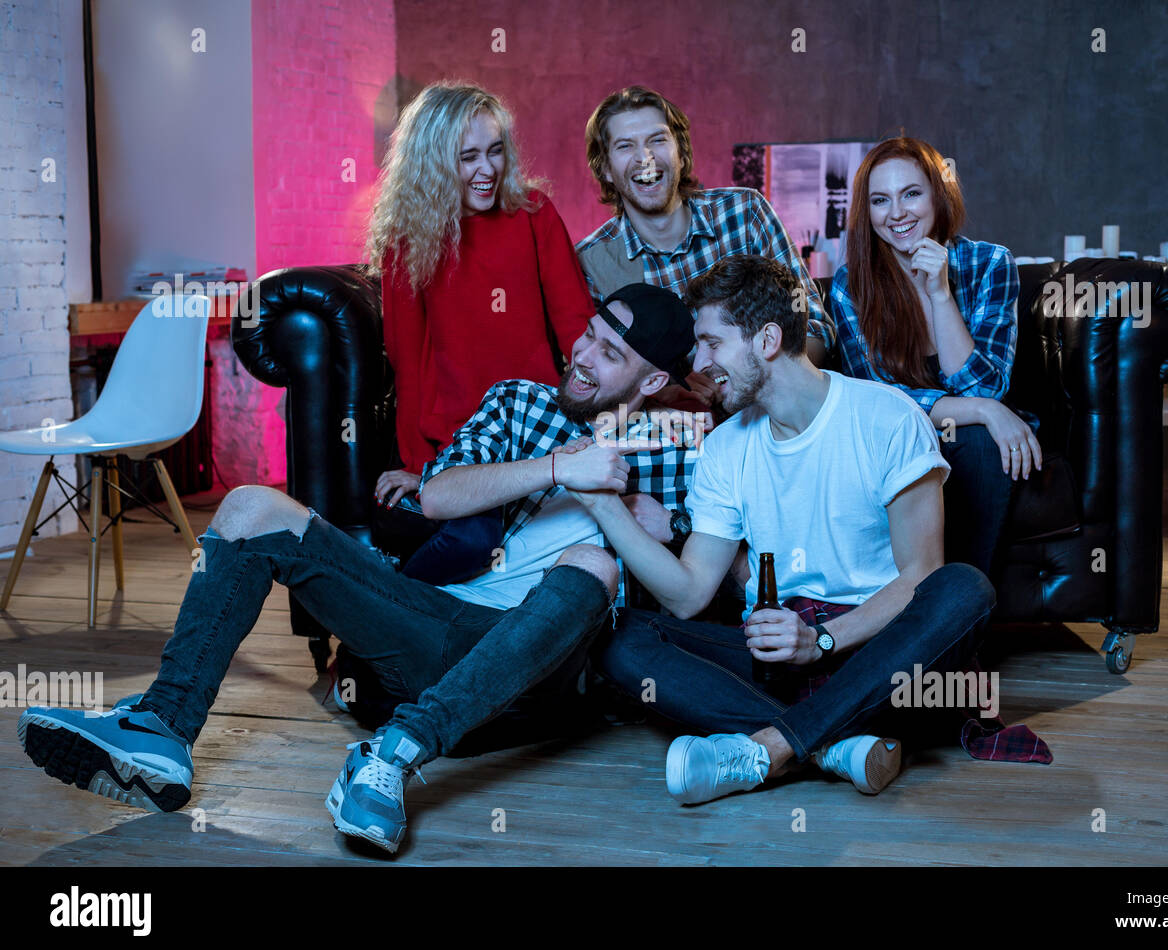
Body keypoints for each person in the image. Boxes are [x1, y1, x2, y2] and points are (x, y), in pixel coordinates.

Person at [18, 284, 700, 854]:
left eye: (610, 355)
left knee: (592, 563)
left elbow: (701, 585)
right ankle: (163, 727)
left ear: (653, 381)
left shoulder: (684, 454)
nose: (581, 357)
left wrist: (660, 521)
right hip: (439, 625)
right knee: (252, 506)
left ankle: (391, 758)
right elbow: (438, 494)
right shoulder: (524, 403)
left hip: (544, 670)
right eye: (587, 336)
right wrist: (559, 468)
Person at [571, 254, 997, 805]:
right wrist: (604, 506)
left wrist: (820, 641)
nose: (698, 364)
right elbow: (688, 594)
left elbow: (921, 577)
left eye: (712, 343)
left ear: (767, 339)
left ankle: (770, 747)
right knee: (618, 634)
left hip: (880, 655)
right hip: (775, 658)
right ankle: (833, 746)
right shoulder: (725, 448)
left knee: (964, 587)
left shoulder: (885, 418)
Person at [366, 81, 594, 579]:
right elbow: (408, 363)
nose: (487, 170)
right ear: (431, 162)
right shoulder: (409, 240)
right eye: (467, 157)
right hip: (459, 449)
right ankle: (384, 622)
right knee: (472, 541)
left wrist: (593, 426)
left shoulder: (533, 214)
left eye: (494, 151)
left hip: (538, 435)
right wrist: (421, 466)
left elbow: (577, 329)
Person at [828, 136, 1040, 577]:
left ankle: (960, 622)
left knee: (981, 443)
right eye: (881, 200)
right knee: (972, 431)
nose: (898, 213)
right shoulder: (851, 284)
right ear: (867, 213)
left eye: (911, 194)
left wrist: (940, 294)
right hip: (893, 438)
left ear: (937, 194)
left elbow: (985, 384)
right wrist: (984, 410)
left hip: (968, 440)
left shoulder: (989, 264)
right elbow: (881, 399)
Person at [577, 85, 836, 413]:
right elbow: (595, 380)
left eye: (657, 140)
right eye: (626, 146)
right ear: (605, 169)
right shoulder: (593, 263)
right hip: (679, 435)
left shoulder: (745, 213)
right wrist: (663, 394)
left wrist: (744, 377)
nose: (645, 158)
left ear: (681, 153)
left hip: (772, 413)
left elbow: (812, 324)